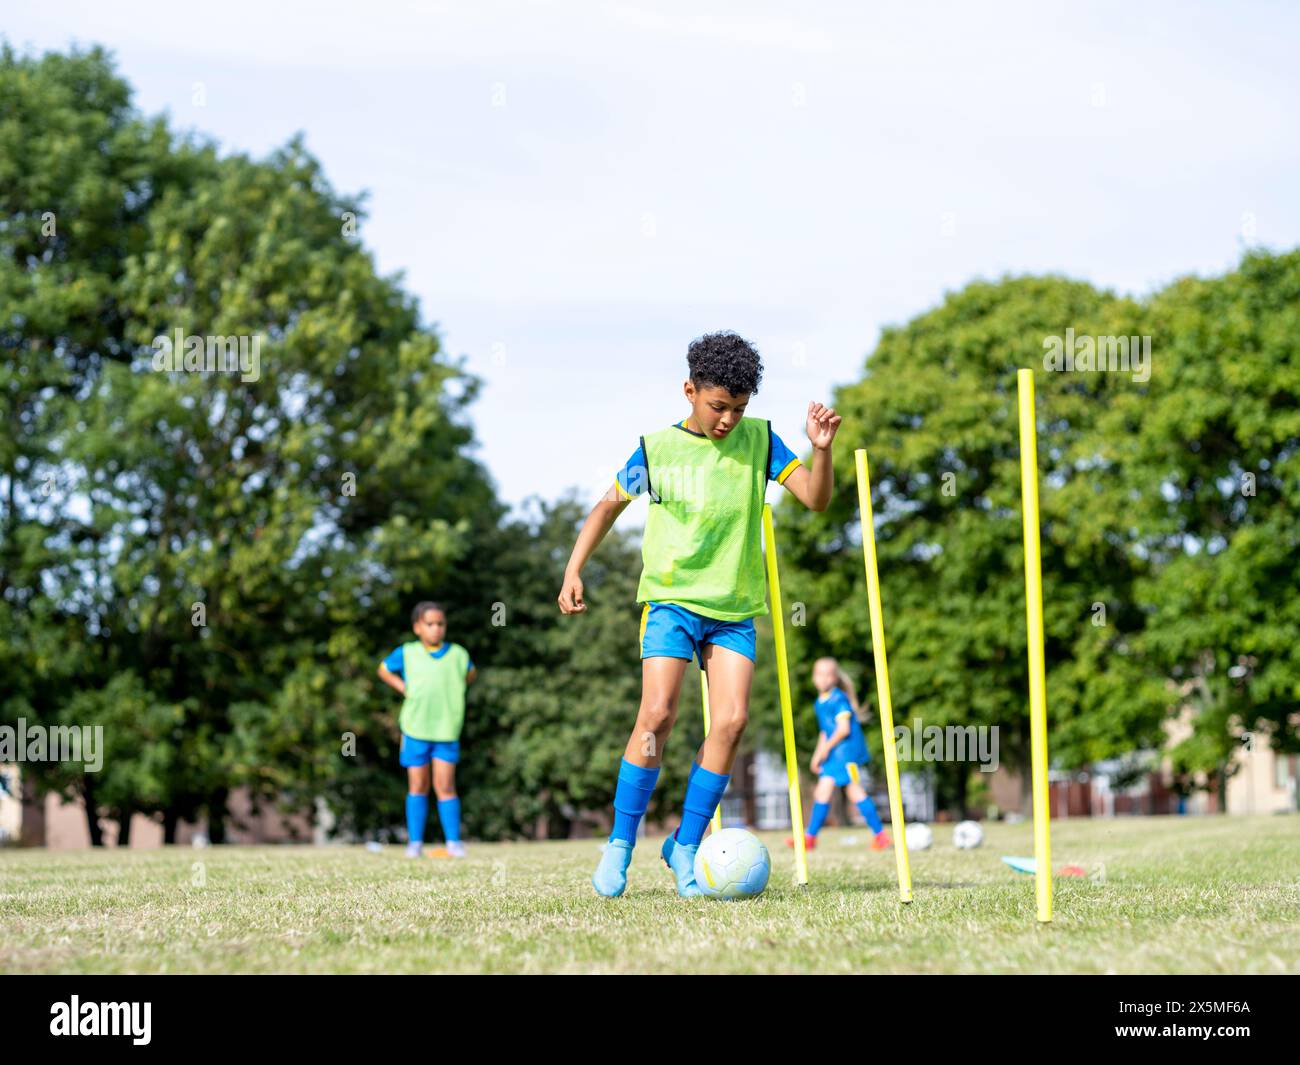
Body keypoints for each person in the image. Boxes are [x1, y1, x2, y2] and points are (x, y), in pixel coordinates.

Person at [558, 330, 842, 897]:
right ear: (689, 390)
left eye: (738, 409)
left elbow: (815, 498)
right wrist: (573, 567)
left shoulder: (760, 441)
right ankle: (619, 844)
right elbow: (607, 508)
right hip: (669, 599)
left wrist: (822, 448)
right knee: (657, 714)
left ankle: (684, 846)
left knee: (732, 723)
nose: (727, 420)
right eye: (718, 406)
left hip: (734, 608)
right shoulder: (656, 450)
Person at [377, 601, 476, 858]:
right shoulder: (407, 652)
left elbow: (469, 675)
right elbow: (384, 669)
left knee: (445, 785)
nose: (436, 629)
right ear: (417, 627)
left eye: (440, 624)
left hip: (446, 730)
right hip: (415, 729)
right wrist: (404, 688)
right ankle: (415, 844)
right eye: (430, 624)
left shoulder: (458, 654)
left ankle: (453, 842)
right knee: (417, 786)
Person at [790, 656, 891, 852]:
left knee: (854, 791)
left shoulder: (838, 698)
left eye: (828, 674)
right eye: (819, 674)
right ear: (813, 677)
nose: (823, 679)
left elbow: (843, 729)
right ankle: (810, 838)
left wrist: (826, 749)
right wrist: (817, 755)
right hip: (835, 752)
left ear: (835, 678)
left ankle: (880, 836)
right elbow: (825, 732)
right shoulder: (820, 701)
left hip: (847, 753)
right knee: (822, 791)